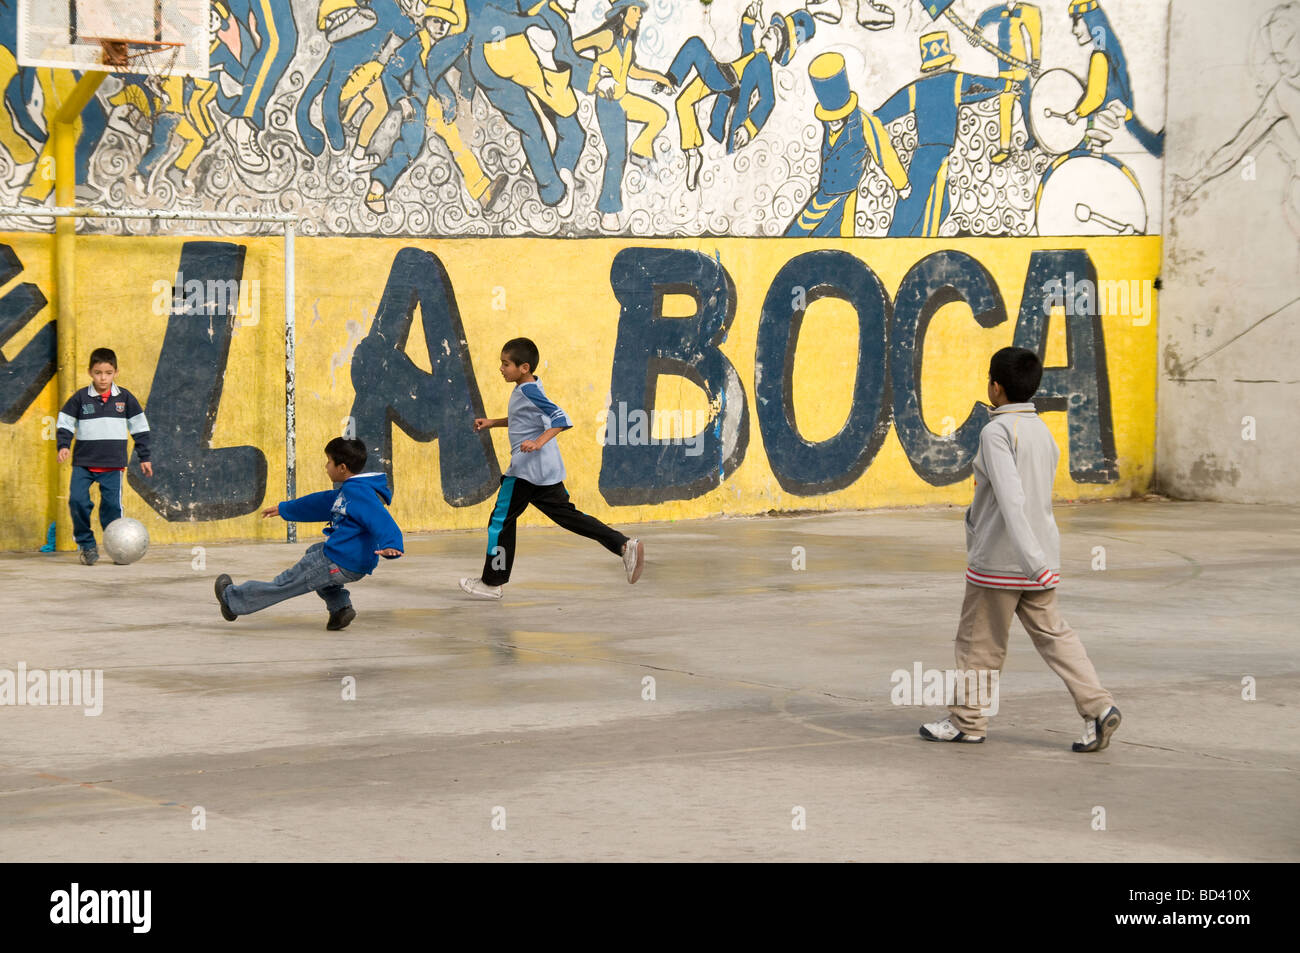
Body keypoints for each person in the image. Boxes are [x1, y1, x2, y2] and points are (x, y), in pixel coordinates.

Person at [920, 347, 1121, 752]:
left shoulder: (996, 432)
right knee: (1056, 637)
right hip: (1040, 559)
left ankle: (967, 722)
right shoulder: (1041, 431)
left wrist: (1028, 560)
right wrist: (1039, 562)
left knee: (979, 644)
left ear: (995, 387)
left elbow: (1012, 500)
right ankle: (1099, 708)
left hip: (1003, 561)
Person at [459, 337, 643, 599]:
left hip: (525, 472)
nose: (501, 368)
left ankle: (491, 583)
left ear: (523, 367)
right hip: (545, 471)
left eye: (506, 364)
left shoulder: (527, 391)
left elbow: (561, 418)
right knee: (569, 517)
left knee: (499, 522)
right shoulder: (533, 386)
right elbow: (526, 419)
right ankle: (623, 545)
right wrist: (493, 422)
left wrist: (537, 442)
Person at [215, 437, 403, 631]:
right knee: (313, 553)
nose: (326, 466)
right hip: (354, 563)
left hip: (340, 561)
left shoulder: (359, 493)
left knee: (286, 583)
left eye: (329, 461)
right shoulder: (351, 491)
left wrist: (393, 544)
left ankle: (232, 601)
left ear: (342, 468)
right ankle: (340, 608)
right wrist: (284, 508)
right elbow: (319, 503)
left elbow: (380, 518)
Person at [875, 31, 1004, 237]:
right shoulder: (954, 81)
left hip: (927, 151)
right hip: (936, 151)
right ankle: (898, 241)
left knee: (932, 202)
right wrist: (1005, 84)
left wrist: (872, 119)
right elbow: (983, 87)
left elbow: (886, 112)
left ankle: (910, 240)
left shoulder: (918, 88)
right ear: (946, 60)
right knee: (922, 201)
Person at [573, 0, 673, 230]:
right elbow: (571, 50)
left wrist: (660, 78)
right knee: (617, 155)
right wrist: (597, 76)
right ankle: (608, 212)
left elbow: (632, 71)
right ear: (622, 12)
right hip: (608, 103)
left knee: (659, 115)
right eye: (635, 10)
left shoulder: (627, 39)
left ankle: (640, 151)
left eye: (639, 11)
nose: (639, 16)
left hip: (623, 98)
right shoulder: (606, 36)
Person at [785, 51, 907, 236]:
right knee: (795, 235)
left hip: (846, 197)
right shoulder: (828, 123)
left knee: (836, 242)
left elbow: (884, 153)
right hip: (823, 195)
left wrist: (902, 185)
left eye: (837, 116)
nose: (832, 121)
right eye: (828, 117)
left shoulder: (864, 122)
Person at [55, 348, 153, 565]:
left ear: (116, 373)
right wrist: (63, 445)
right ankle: (87, 545)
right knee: (78, 501)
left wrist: (144, 457)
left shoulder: (125, 398)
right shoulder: (81, 398)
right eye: (98, 373)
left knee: (111, 508)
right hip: (84, 463)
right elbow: (65, 422)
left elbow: (140, 428)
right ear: (90, 372)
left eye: (108, 373)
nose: (103, 378)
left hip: (112, 465)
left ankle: (118, 549)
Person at [1064, 0, 1163, 158]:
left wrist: (1076, 113)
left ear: (1090, 22)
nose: (1074, 30)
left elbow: (1096, 96)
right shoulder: (1108, 50)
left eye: (1076, 22)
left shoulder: (1099, 56)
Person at [973, 1, 1041, 162]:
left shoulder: (1027, 10)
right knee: (1005, 106)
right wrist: (976, 33)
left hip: (1021, 70)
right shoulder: (999, 10)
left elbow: (1035, 34)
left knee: (1027, 105)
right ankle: (1005, 148)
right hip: (1004, 70)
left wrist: (1036, 60)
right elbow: (984, 19)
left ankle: (1034, 137)